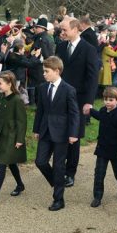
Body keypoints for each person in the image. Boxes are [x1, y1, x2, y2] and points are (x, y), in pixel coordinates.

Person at [33, 56, 80, 211]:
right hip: (45, 130)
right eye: (43, 71)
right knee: (40, 161)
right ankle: (57, 181)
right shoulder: (42, 88)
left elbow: (74, 113)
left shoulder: (69, 90)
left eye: (46, 71)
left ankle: (58, 199)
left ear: (57, 71)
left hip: (62, 132)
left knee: (59, 166)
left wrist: (73, 133)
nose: (44, 74)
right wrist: (36, 129)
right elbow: (40, 110)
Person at [56, 18, 99, 188]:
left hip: (79, 99)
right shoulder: (60, 47)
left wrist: (89, 101)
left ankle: (70, 172)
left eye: (65, 29)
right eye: (61, 30)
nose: (62, 33)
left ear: (75, 29)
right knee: (59, 132)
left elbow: (92, 77)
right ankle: (59, 166)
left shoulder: (88, 49)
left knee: (73, 136)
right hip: (60, 98)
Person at [0, 71, 26, 206]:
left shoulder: (17, 100)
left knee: (2, 163)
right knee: (11, 162)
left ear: (9, 84)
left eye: (1, 83)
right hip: (2, 135)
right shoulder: (2, 97)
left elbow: (22, 121)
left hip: (12, 137)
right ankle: (20, 185)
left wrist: (20, 139)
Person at [89, 87, 117, 208]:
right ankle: (97, 196)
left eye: (111, 100)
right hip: (102, 148)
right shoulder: (103, 110)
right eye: (105, 99)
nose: (107, 102)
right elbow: (100, 116)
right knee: (99, 173)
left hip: (116, 150)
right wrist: (90, 111)